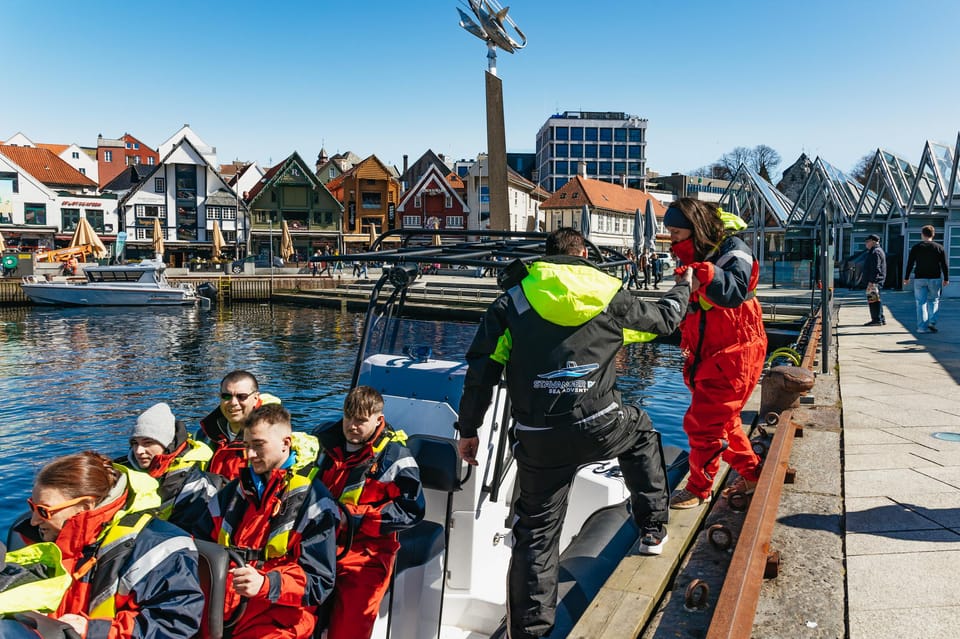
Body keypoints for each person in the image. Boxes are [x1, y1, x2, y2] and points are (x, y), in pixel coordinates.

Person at [456, 227, 691, 639]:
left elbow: (481, 372)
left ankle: (530, 631)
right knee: (640, 433)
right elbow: (664, 320)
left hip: (539, 437)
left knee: (537, 534)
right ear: (583, 253)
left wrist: (469, 429)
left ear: (545, 258)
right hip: (601, 424)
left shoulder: (511, 302)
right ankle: (652, 529)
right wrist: (683, 286)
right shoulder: (609, 294)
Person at [190, 404, 339, 639]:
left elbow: (319, 582)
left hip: (279, 622)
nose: (249, 455)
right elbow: (198, 542)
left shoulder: (314, 502)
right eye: (246, 446)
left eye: (258, 446)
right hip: (224, 613)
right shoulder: (232, 493)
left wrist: (265, 584)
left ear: (285, 443)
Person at [22, 451, 204, 639]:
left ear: (85, 506)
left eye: (43, 511)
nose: (34, 521)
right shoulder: (52, 541)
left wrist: (91, 630)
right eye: (31, 507)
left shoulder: (158, 548)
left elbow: (174, 625)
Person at [663, 199, 767, 510]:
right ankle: (752, 474)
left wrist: (704, 272)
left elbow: (733, 291)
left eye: (676, 233)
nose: (673, 240)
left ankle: (698, 489)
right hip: (712, 352)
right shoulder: (705, 251)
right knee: (725, 423)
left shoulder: (734, 250)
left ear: (696, 229)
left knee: (702, 423)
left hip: (734, 353)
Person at [314, 386, 425, 639]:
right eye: (348, 418)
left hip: (367, 554)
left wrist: (354, 518)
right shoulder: (321, 442)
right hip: (319, 544)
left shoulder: (396, 459)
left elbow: (411, 510)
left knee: (349, 629)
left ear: (378, 420)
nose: (353, 426)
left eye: (361, 421)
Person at [120, 402, 221, 529]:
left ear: (167, 444)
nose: (139, 451)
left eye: (148, 443)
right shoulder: (122, 469)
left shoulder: (194, 482)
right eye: (135, 443)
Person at [197, 370, 281, 480]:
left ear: (256, 398)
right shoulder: (204, 435)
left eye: (241, 396)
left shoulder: (271, 440)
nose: (233, 402)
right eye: (226, 396)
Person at [903, 224, 949, 333]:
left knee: (920, 303)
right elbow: (944, 264)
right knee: (934, 301)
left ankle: (921, 327)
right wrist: (946, 278)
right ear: (933, 235)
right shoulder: (939, 247)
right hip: (935, 278)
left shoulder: (916, 247)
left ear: (922, 234)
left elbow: (910, 263)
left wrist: (906, 277)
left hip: (920, 278)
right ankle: (932, 322)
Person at [863, 233, 887, 326]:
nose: (866, 244)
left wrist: (872, 282)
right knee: (877, 299)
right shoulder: (878, 250)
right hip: (877, 280)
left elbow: (875, 268)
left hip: (874, 281)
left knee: (873, 301)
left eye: (867, 242)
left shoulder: (875, 252)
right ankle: (880, 318)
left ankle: (876, 319)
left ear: (873, 242)